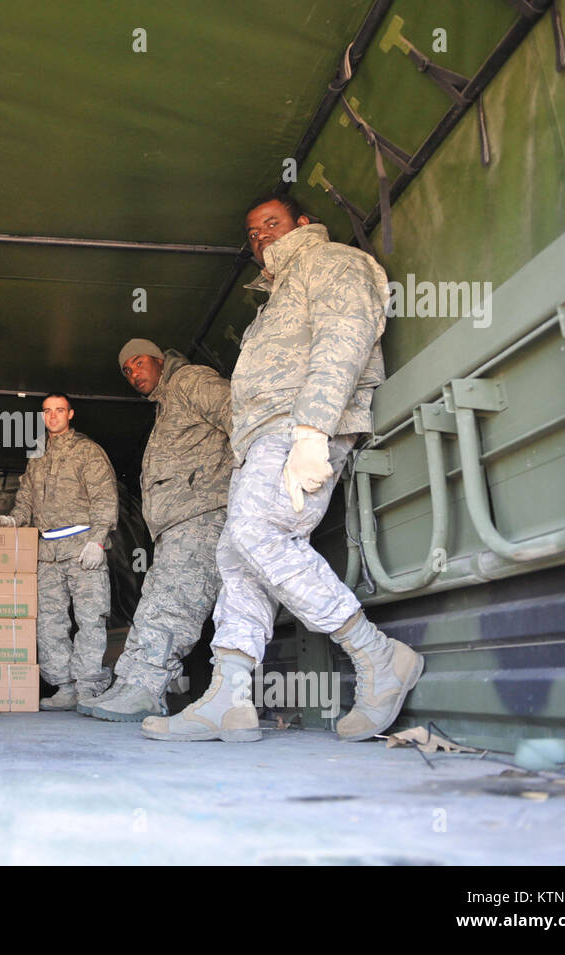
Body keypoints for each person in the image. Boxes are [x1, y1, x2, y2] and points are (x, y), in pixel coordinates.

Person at [142, 193, 423, 744]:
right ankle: (229, 694)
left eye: (271, 223)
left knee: (256, 533)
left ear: (304, 223)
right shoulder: (272, 299)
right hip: (260, 439)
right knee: (237, 556)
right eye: (251, 232)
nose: (261, 236)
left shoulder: (332, 261)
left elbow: (343, 340)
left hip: (297, 428)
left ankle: (377, 653)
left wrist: (313, 432)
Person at [81, 340, 233, 722]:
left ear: (159, 360)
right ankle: (130, 682)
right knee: (154, 604)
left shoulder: (189, 381)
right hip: (177, 524)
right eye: (127, 372)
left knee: (174, 607)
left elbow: (240, 413)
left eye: (139, 363)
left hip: (202, 513)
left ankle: (147, 689)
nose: (134, 375)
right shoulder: (167, 404)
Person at [0, 393, 118, 711]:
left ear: (70, 414)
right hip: (46, 551)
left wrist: (98, 540)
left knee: (90, 619)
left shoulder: (87, 451)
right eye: (47, 411)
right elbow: (26, 501)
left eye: (59, 410)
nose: (53, 416)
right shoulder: (36, 453)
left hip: (82, 547)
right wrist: (13, 519)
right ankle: (65, 687)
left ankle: (89, 688)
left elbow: (104, 497)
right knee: (49, 622)